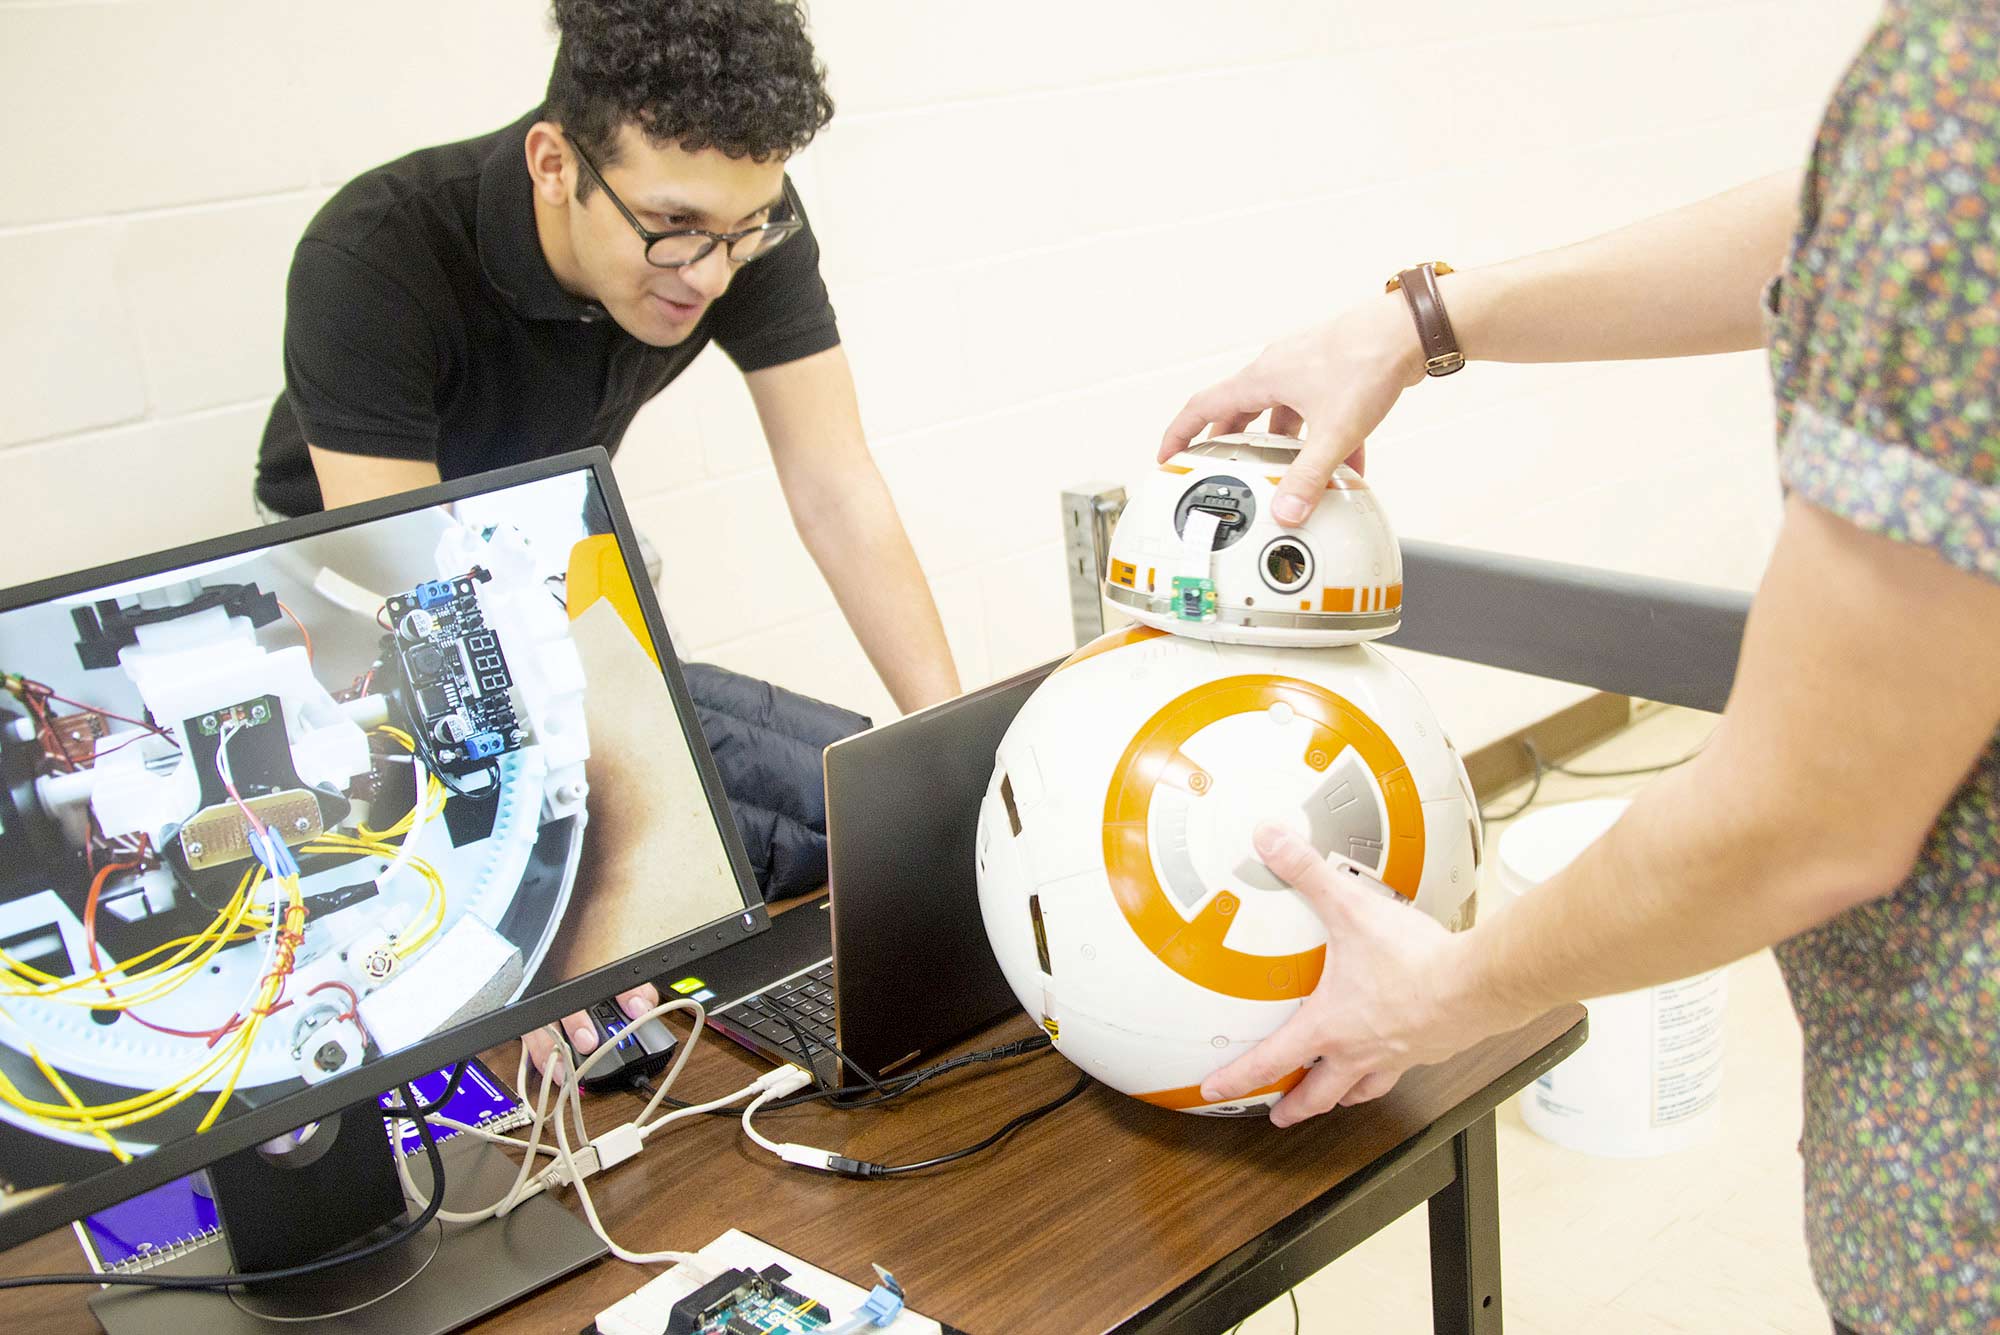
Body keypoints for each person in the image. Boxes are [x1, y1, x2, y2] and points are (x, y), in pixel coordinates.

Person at [1163, 5, 1998, 1331]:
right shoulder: (1948, 118)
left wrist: (1444, 989)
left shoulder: (1960, 97)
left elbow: (1806, 821)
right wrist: (1423, 319)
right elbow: (1852, 209)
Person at [256, 0, 962, 1067]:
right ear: (553, 164)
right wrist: (522, 933)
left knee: (856, 800)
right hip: (360, 615)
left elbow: (834, 483)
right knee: (679, 875)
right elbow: (410, 604)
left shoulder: (729, 217)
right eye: (672, 231)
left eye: (743, 231)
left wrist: (955, 746)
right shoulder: (377, 257)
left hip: (534, 571)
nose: (709, 274)